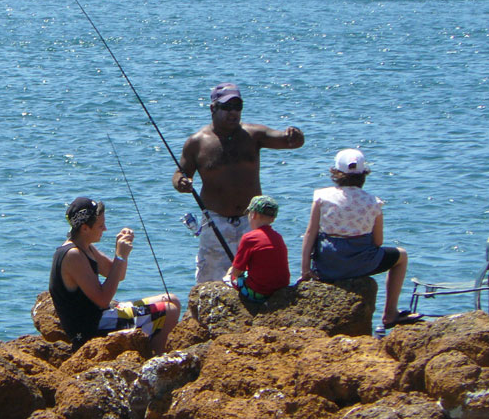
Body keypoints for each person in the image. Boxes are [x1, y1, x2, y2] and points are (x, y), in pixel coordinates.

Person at [173, 82, 304, 284]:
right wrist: (181, 182)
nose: (233, 112)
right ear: (212, 108)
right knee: (210, 282)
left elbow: (289, 141)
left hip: (251, 220)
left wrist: (294, 135)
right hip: (215, 220)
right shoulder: (197, 142)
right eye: (227, 107)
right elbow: (180, 174)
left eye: (238, 107)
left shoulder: (253, 134)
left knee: (257, 278)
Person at [300, 148, 423, 328]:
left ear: (335, 173)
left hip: (327, 265)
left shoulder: (321, 197)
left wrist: (305, 270)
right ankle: (390, 313)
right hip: (360, 265)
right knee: (401, 256)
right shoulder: (374, 202)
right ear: (363, 174)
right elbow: (378, 242)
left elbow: (310, 233)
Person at [49, 196, 181, 354]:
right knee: (169, 311)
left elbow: (119, 275)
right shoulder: (73, 255)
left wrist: (122, 253)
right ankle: (155, 362)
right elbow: (103, 300)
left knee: (172, 299)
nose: (104, 229)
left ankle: (153, 352)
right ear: (84, 228)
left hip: (101, 315)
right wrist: (119, 256)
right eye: (100, 225)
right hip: (91, 327)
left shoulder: (85, 247)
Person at [222, 195, 290, 302]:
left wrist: (230, 273)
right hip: (280, 289)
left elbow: (236, 272)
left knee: (229, 277)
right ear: (272, 219)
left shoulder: (249, 238)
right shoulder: (278, 237)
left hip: (259, 293)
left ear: (253, 215)